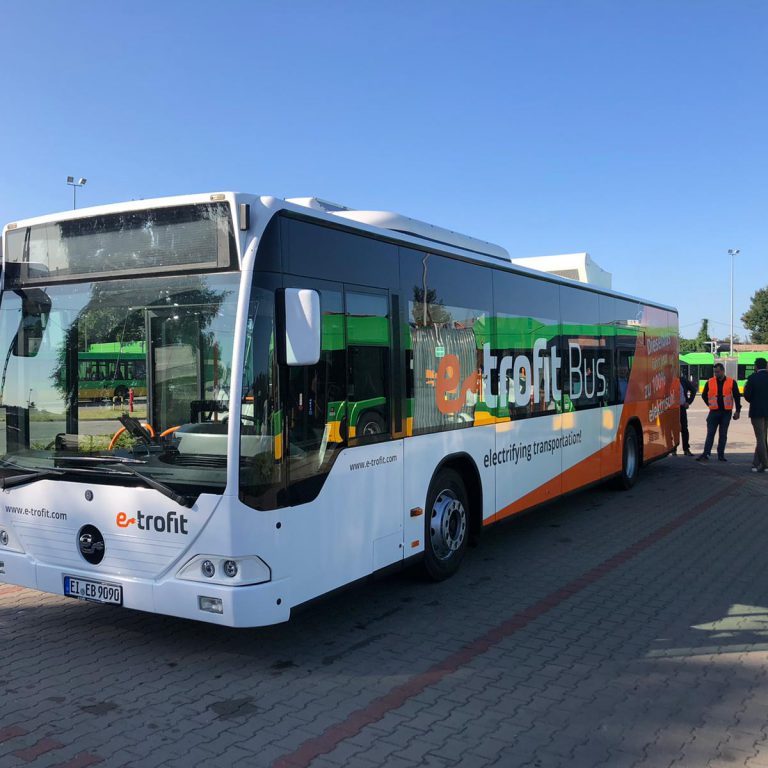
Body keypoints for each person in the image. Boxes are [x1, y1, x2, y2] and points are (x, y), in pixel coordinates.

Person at [697, 362, 741, 462]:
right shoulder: (710, 382)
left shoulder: (731, 382)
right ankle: (706, 454)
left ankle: (721, 455)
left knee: (723, 434)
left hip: (726, 412)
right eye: (715, 372)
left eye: (718, 372)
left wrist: (738, 411)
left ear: (723, 371)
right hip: (714, 412)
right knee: (710, 433)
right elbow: (704, 395)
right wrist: (710, 405)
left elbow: (737, 397)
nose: (716, 374)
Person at [743, 357, 768, 473]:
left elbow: (747, 395)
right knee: (763, 438)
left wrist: (755, 400)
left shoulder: (752, 378)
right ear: (766, 366)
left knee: (760, 438)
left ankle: (765, 464)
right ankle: (756, 463)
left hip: (757, 412)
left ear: (756, 366)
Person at [675, 373, 697, 455]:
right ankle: (673, 449)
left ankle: (686, 449)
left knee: (684, 428)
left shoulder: (683, 380)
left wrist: (688, 402)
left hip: (681, 407)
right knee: (672, 429)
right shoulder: (667, 380)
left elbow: (693, 390)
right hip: (670, 409)